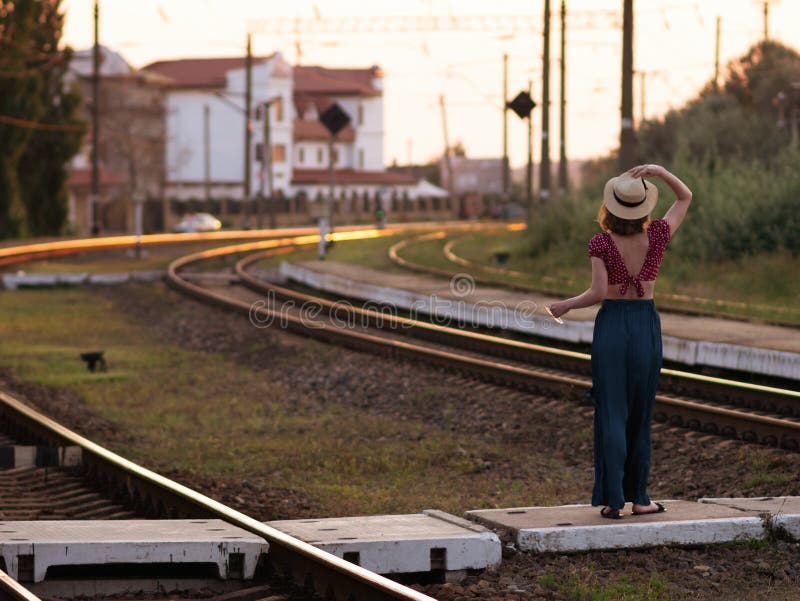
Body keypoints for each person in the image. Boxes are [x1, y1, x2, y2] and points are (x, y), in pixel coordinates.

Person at [548, 164, 692, 519]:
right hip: (645, 325)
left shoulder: (600, 242)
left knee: (612, 411)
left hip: (612, 326)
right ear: (644, 206)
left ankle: (614, 500)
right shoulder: (658, 234)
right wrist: (659, 172)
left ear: (610, 207)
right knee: (640, 413)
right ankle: (641, 499)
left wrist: (566, 304)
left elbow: (598, 292)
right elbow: (686, 196)